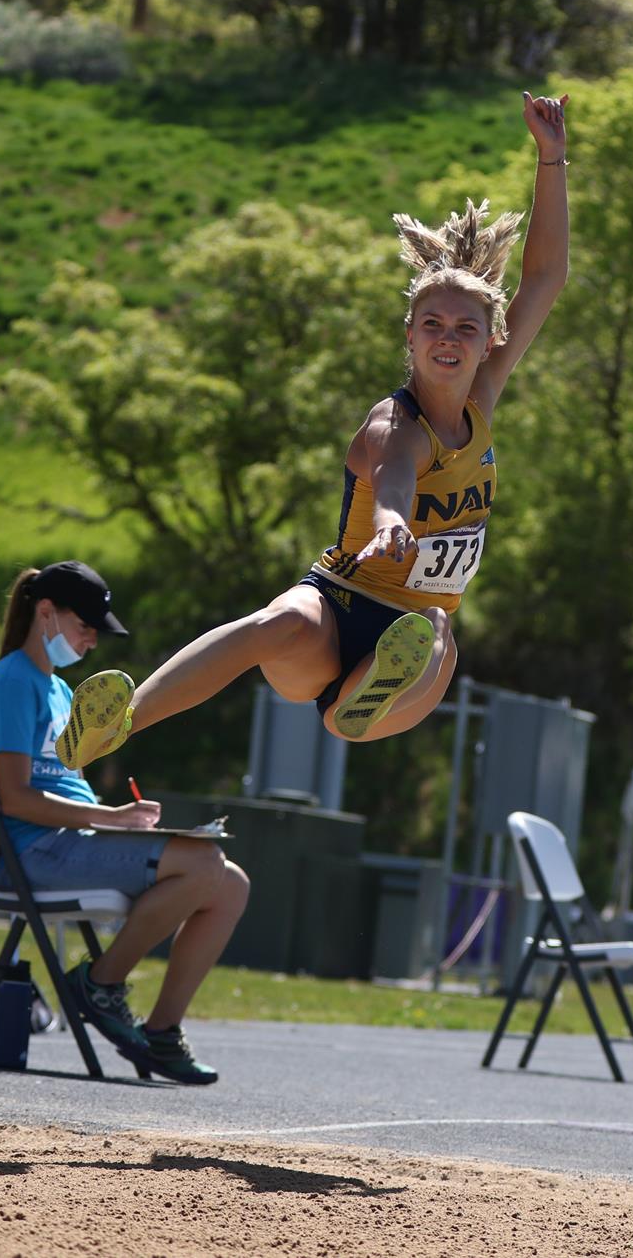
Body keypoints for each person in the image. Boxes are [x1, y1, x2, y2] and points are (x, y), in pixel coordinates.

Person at [55, 91, 570, 772]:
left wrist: (552, 158)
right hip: (338, 602)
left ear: (490, 340)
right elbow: (392, 474)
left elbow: (546, 277)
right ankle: (117, 725)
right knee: (275, 623)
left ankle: (362, 697)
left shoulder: (482, 396)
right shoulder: (395, 424)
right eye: (433, 326)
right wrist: (390, 520)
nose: (449, 339)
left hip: (414, 645)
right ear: (410, 336)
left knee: (432, 627)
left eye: (466, 328)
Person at [0, 560, 249, 1084]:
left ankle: (162, 1031)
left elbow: (65, 787)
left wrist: (124, 823)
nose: (92, 641)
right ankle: (99, 984)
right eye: (85, 627)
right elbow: (14, 800)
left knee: (230, 884)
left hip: (67, 844)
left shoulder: (59, 690)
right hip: (30, 853)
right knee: (205, 863)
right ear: (45, 613)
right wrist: (110, 817)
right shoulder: (11, 684)